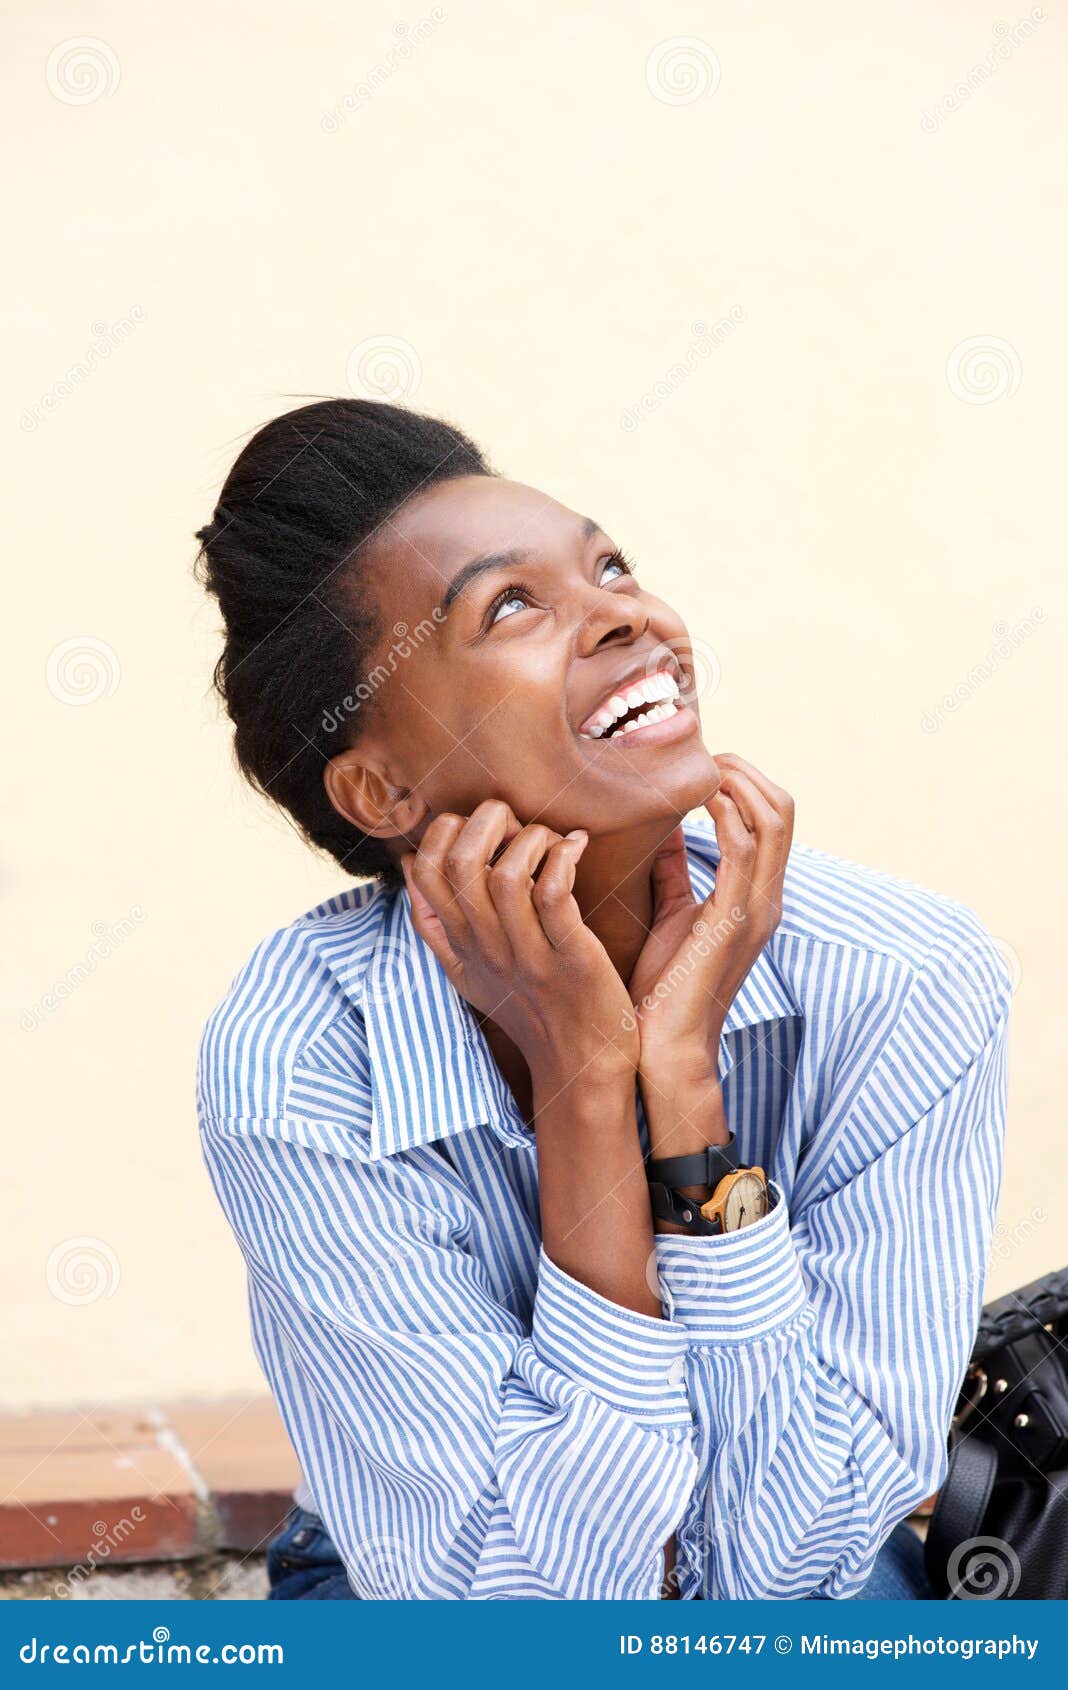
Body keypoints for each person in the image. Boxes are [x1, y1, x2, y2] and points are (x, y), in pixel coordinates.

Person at [194, 399, 1010, 1600]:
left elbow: (798, 1558)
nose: (628, 613)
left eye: (610, 565)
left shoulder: (904, 976)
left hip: (800, 1592)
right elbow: (518, 1612)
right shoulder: (305, 1054)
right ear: (379, 788)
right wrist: (585, 1091)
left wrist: (682, 1093)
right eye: (510, 605)